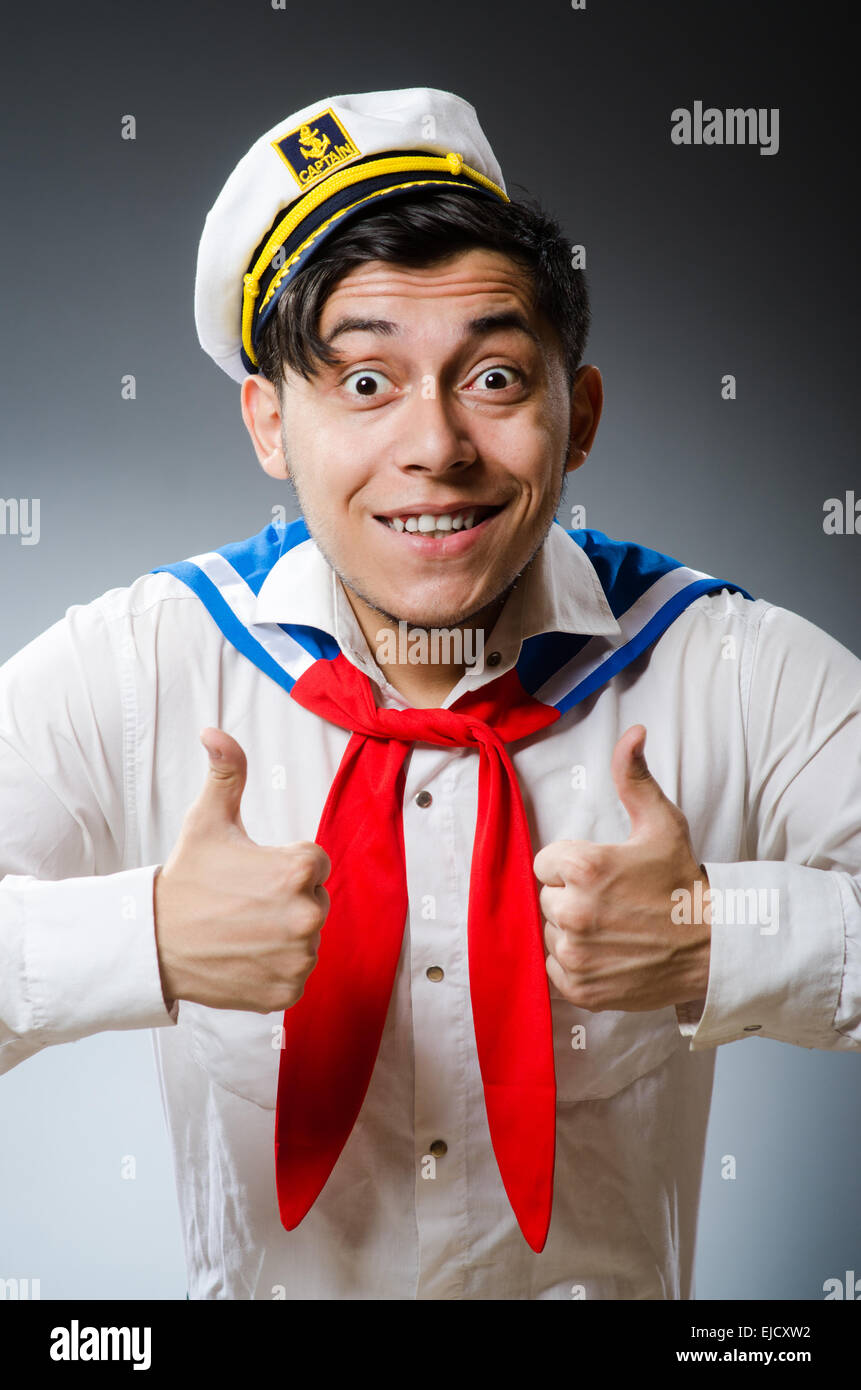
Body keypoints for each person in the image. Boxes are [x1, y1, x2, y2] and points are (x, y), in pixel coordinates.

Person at [1, 86, 859, 1301]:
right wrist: (140, 937)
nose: (436, 446)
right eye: (364, 383)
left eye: (496, 377)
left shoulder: (727, 662)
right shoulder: (148, 661)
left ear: (581, 418)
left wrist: (727, 931)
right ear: (268, 423)